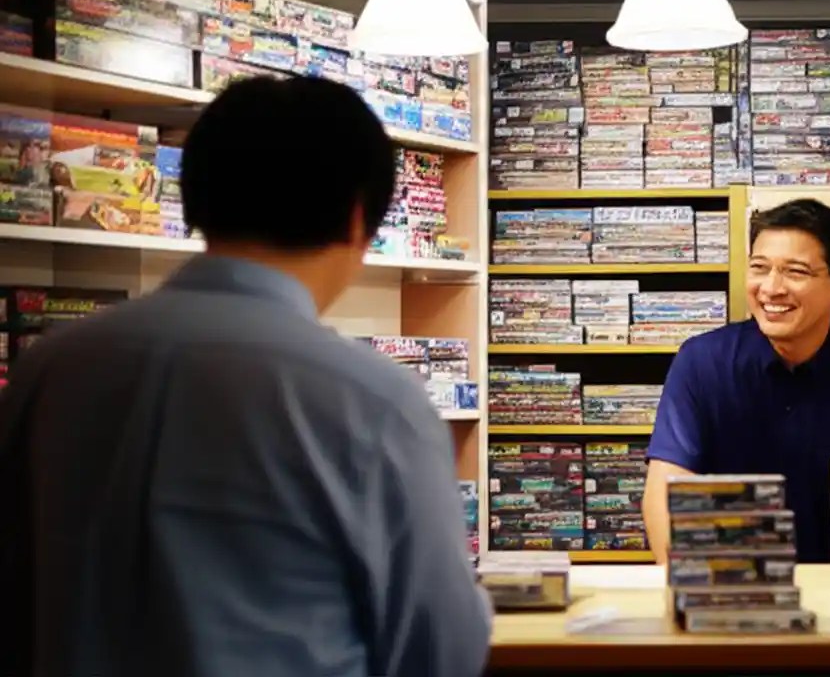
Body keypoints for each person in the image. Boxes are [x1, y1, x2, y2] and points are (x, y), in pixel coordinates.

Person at [0, 77, 491, 677]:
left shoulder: (49, 368)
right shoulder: (375, 400)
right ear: (360, 215)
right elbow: (437, 647)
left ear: (193, 195)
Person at [643, 198, 830, 564]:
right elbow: (665, 491)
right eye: (759, 268)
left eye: (795, 272)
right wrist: (693, 588)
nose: (771, 288)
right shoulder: (702, 362)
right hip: (735, 591)